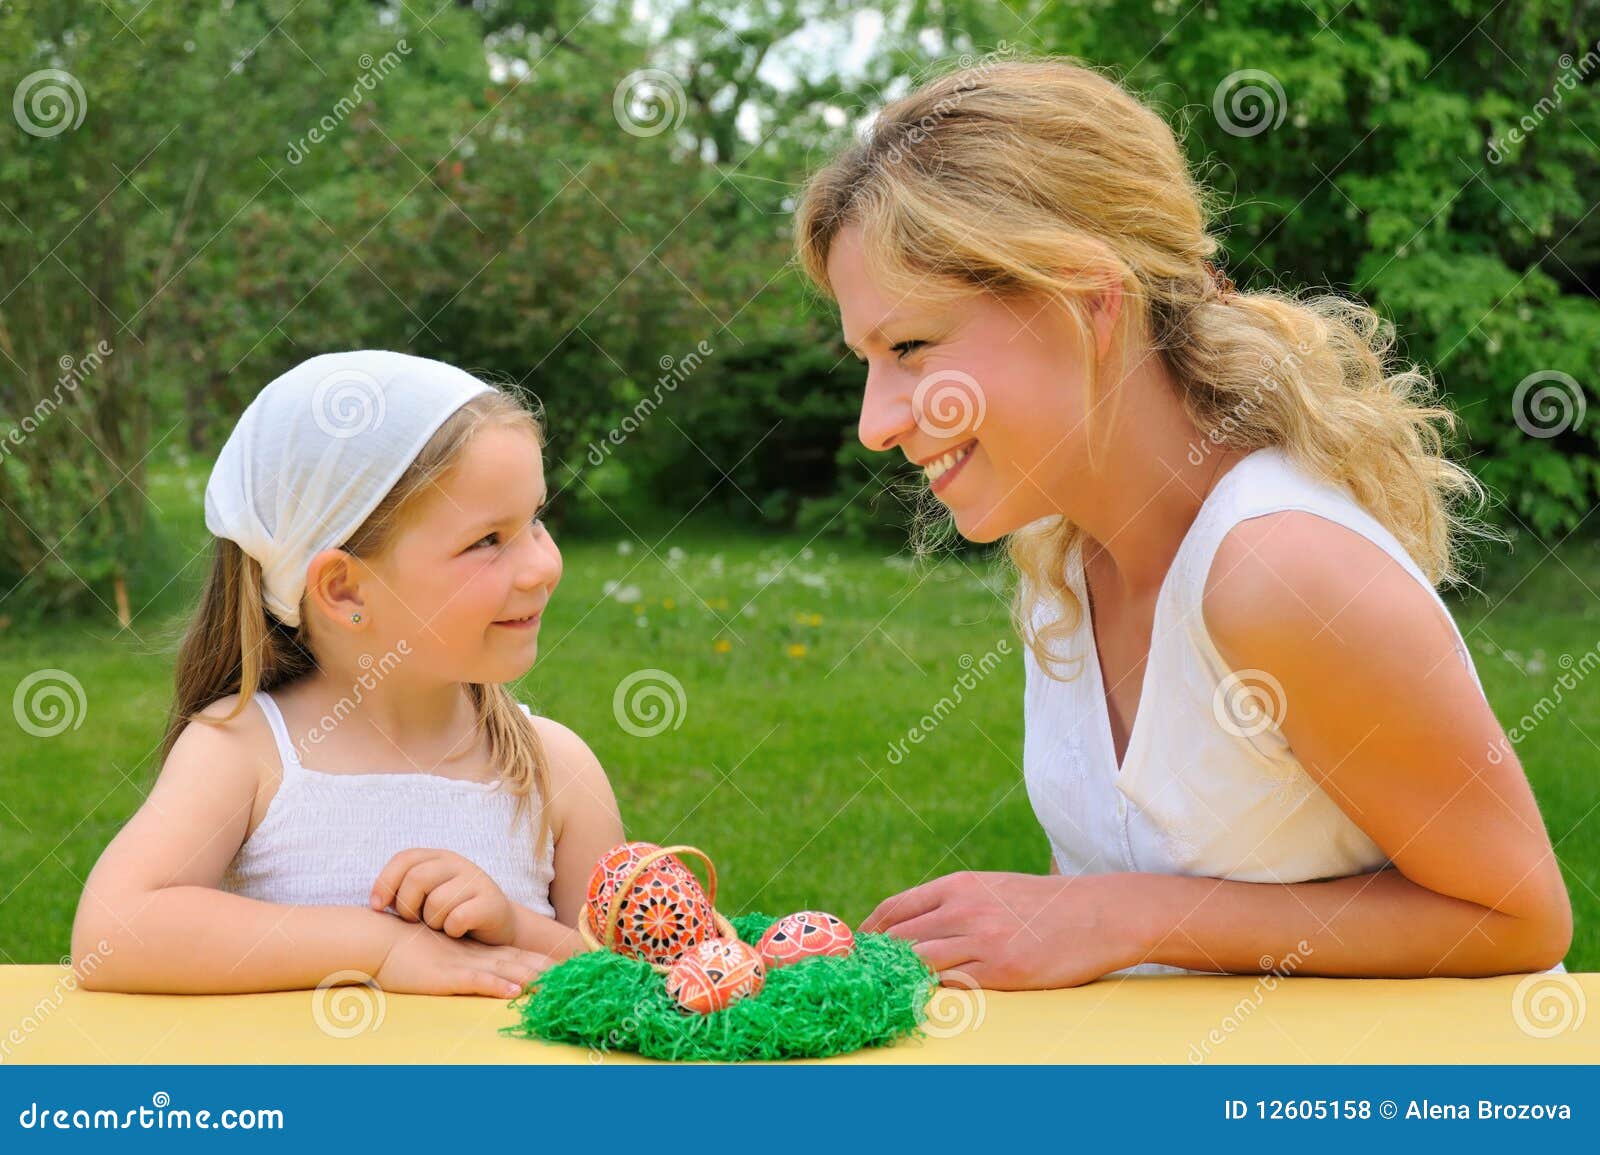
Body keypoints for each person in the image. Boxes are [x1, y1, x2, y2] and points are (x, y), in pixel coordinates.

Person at [794, 56, 1572, 986]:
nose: (875, 423)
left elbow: (1516, 916)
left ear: (1089, 301)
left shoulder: (1280, 570)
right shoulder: (1068, 554)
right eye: (869, 360)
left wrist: (1123, 917)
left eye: (912, 347)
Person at [71, 350, 623, 996]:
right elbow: (111, 932)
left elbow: (632, 977)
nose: (541, 566)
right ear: (344, 591)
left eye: (534, 520)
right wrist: (383, 945)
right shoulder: (245, 752)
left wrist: (514, 924)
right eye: (487, 541)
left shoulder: (555, 769)